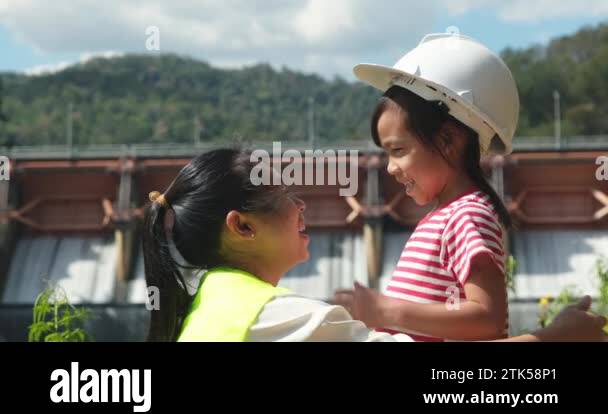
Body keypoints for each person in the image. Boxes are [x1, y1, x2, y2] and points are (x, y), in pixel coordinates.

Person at [142, 148, 606, 342]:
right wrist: (556, 337)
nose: (301, 206)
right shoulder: (284, 320)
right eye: (286, 197)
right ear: (242, 227)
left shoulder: (210, 305)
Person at [333, 32, 525, 341]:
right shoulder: (444, 217)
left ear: (447, 140)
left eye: (398, 151)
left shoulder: (467, 216)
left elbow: (488, 318)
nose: (390, 168)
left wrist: (385, 311)